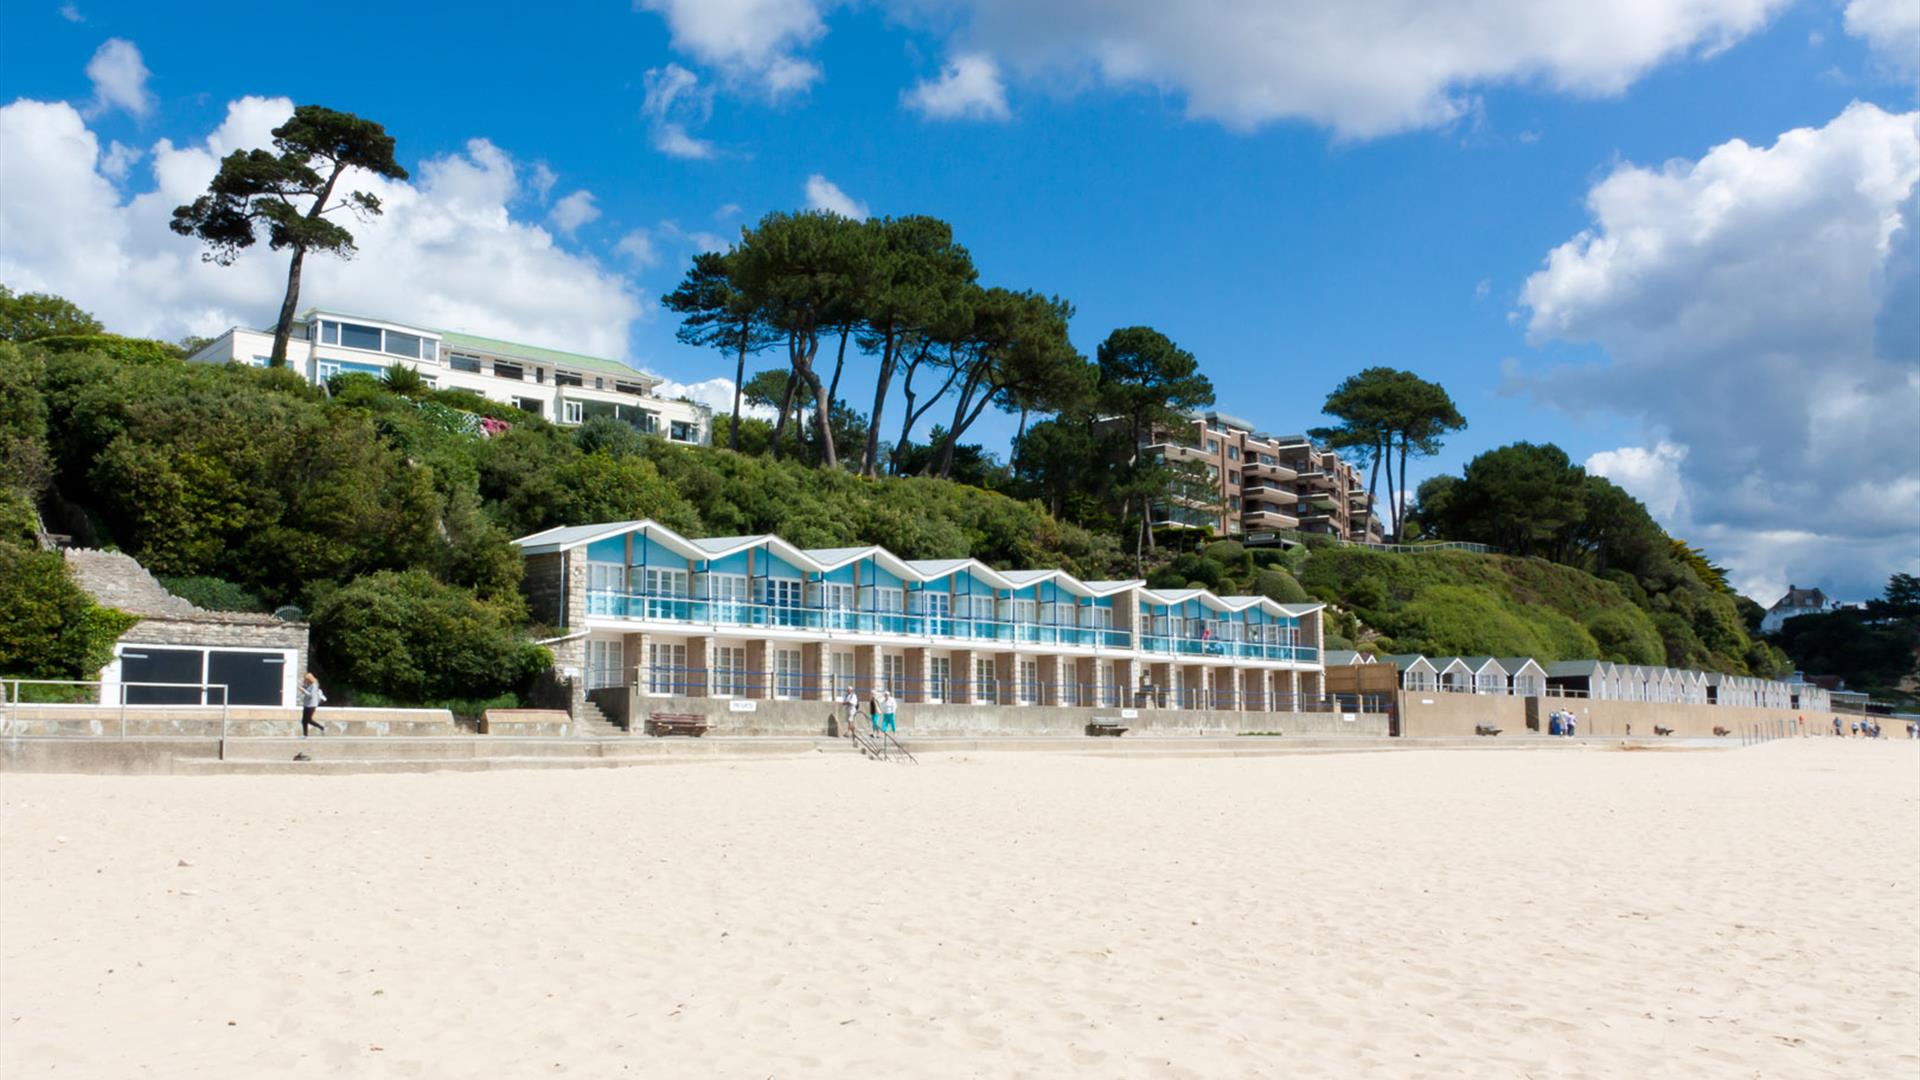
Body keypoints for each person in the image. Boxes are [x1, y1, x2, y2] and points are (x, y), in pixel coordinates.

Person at [299, 673, 327, 737]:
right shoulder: (309, 685)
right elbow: (307, 693)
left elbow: (311, 695)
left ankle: (321, 727)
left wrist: (303, 690)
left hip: (311, 705)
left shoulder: (314, 685)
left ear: (309, 679)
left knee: (309, 720)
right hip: (306, 704)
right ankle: (305, 735)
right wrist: (304, 689)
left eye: (306, 679)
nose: (305, 680)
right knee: (304, 721)